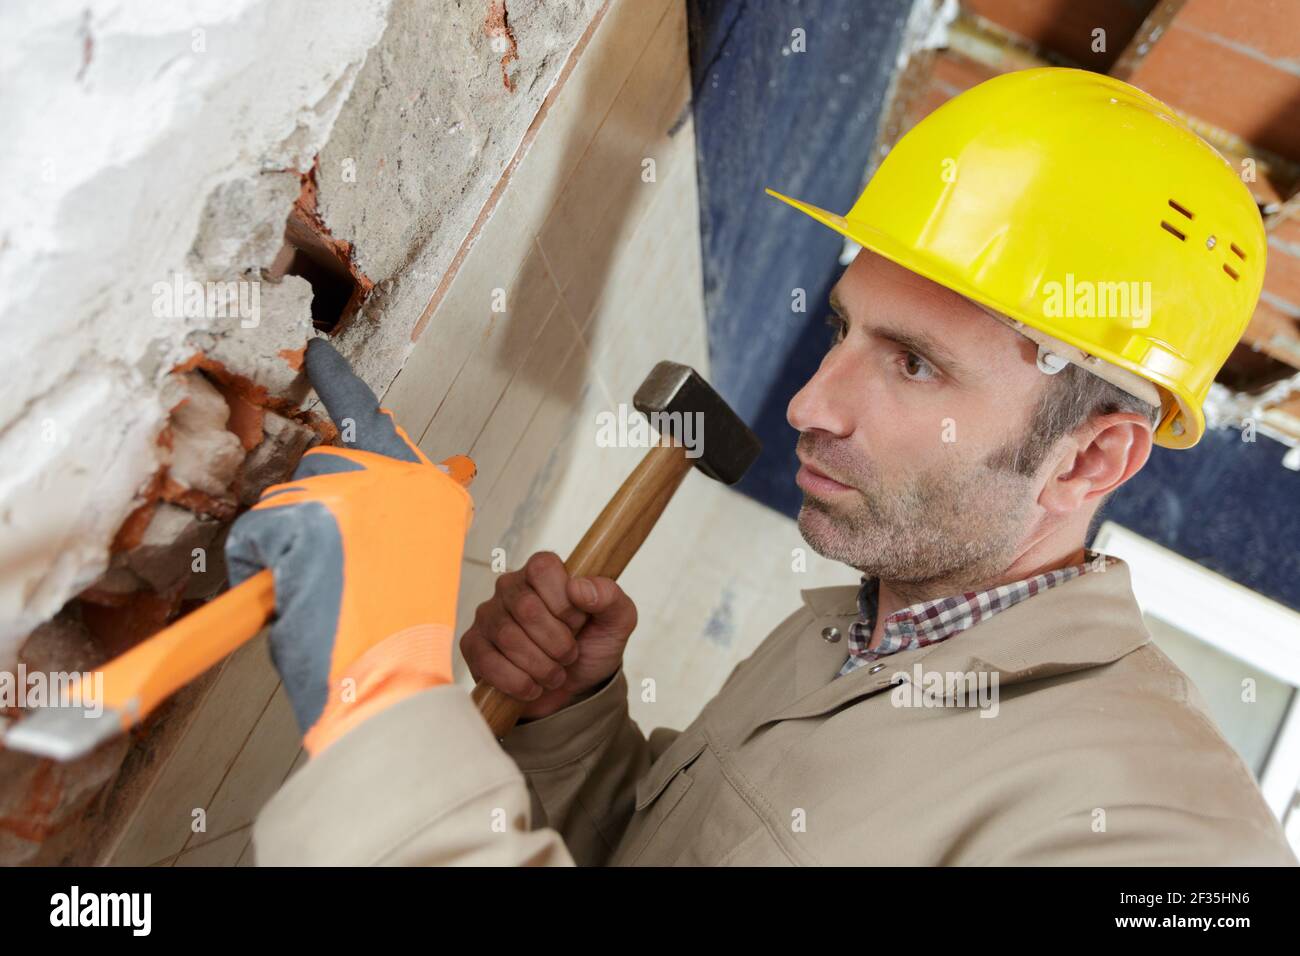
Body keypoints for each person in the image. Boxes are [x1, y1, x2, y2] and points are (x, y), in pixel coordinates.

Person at [250, 69, 1297, 865]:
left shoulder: (1159, 837)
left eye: (915, 365)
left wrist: (381, 700)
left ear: (1091, 455)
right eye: (845, 329)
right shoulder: (843, 628)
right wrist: (576, 720)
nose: (808, 404)